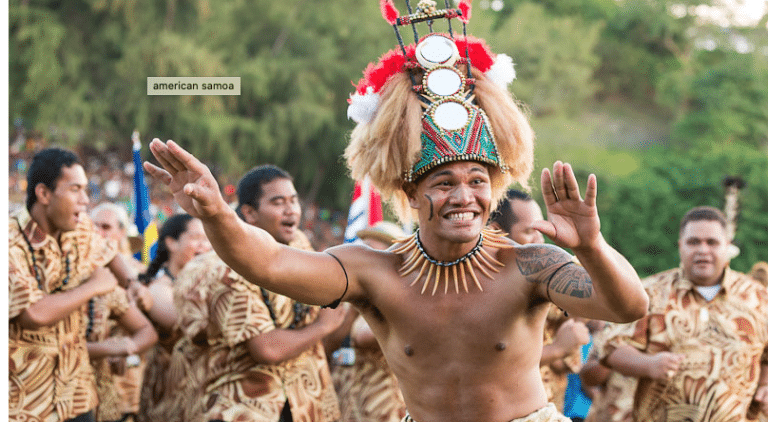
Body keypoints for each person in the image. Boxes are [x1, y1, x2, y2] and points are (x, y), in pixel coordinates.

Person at [144, 3, 648, 420]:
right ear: (409, 193)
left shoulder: (531, 265)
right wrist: (216, 213)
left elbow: (628, 306)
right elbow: (269, 264)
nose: (464, 196)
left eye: (477, 182)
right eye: (444, 183)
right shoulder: (374, 271)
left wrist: (592, 247)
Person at [167, 164, 346, 422]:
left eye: (294, 200)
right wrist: (321, 328)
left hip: (306, 408)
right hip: (244, 409)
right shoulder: (224, 269)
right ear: (249, 213)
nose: (291, 210)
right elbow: (266, 349)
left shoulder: (298, 245)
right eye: (278, 202)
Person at [9, 147, 144, 422]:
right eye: (75, 190)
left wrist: (130, 282)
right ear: (44, 194)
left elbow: (107, 251)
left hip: (77, 395)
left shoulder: (79, 228)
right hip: (26, 401)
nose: (85, 200)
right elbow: (33, 313)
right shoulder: (10, 242)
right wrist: (93, 287)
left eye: (86, 189)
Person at [600, 206, 768, 421]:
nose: (702, 250)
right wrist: (649, 365)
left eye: (712, 242)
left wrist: (765, 382)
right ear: (680, 246)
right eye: (693, 242)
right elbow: (610, 347)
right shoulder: (650, 293)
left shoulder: (758, 298)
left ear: (727, 247)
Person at [490, 189, 591, 412]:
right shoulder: (483, 288)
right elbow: (490, 365)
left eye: (541, 231)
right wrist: (556, 350)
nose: (540, 241)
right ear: (497, 233)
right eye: (530, 232)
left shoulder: (547, 277)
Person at [137, 213, 211, 422]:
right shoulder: (158, 288)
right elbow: (185, 323)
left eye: (207, 239)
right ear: (171, 242)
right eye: (196, 238)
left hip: (203, 395)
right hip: (168, 396)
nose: (204, 246)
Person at [332, 221, 408, 422]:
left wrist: (362, 300)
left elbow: (363, 338)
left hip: (382, 410)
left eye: (371, 250)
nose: (362, 256)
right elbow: (329, 341)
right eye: (362, 247)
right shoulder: (350, 297)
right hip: (347, 407)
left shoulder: (402, 301)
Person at [83, 268, 158, 422]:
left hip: (103, 397)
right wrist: (107, 348)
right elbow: (53, 347)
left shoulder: (106, 289)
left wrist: (125, 347)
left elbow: (147, 332)